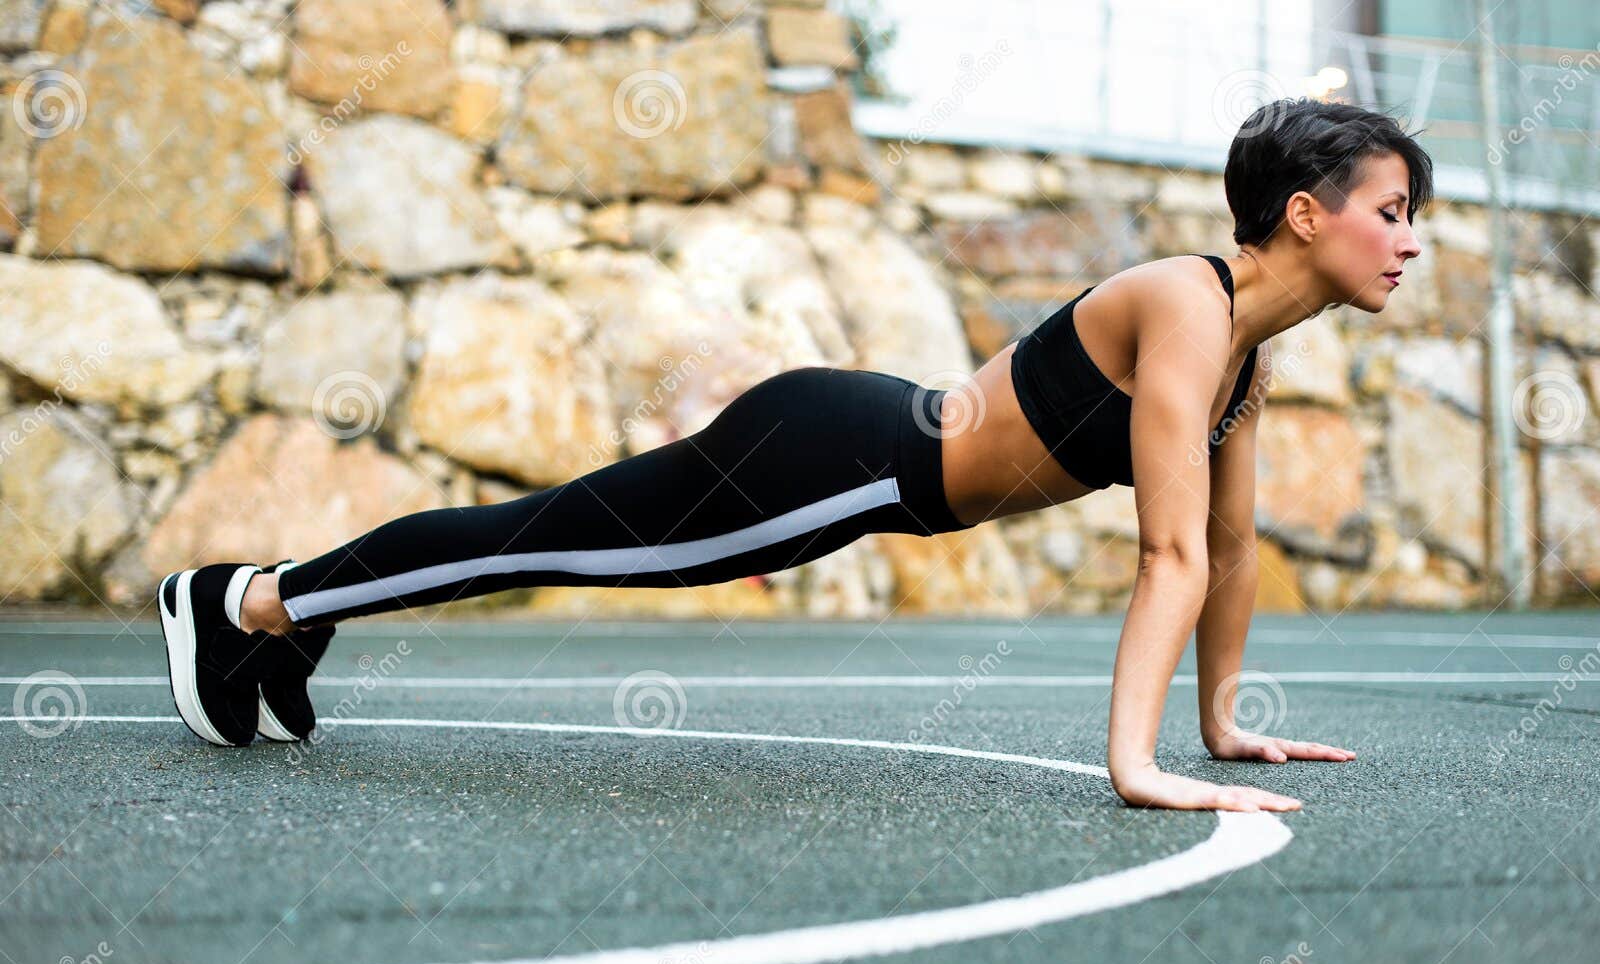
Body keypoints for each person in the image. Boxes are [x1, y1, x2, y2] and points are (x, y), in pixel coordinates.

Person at [159, 97, 1430, 813]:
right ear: (1305, 214)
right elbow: (1162, 552)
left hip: (861, 459)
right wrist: (1134, 766)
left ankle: (292, 605)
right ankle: (245, 601)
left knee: (553, 532)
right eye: (1390, 212)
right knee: (552, 541)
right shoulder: (1186, 305)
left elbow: (1223, 548)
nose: (1406, 243)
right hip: (836, 456)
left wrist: (1217, 726)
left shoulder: (1245, 363)